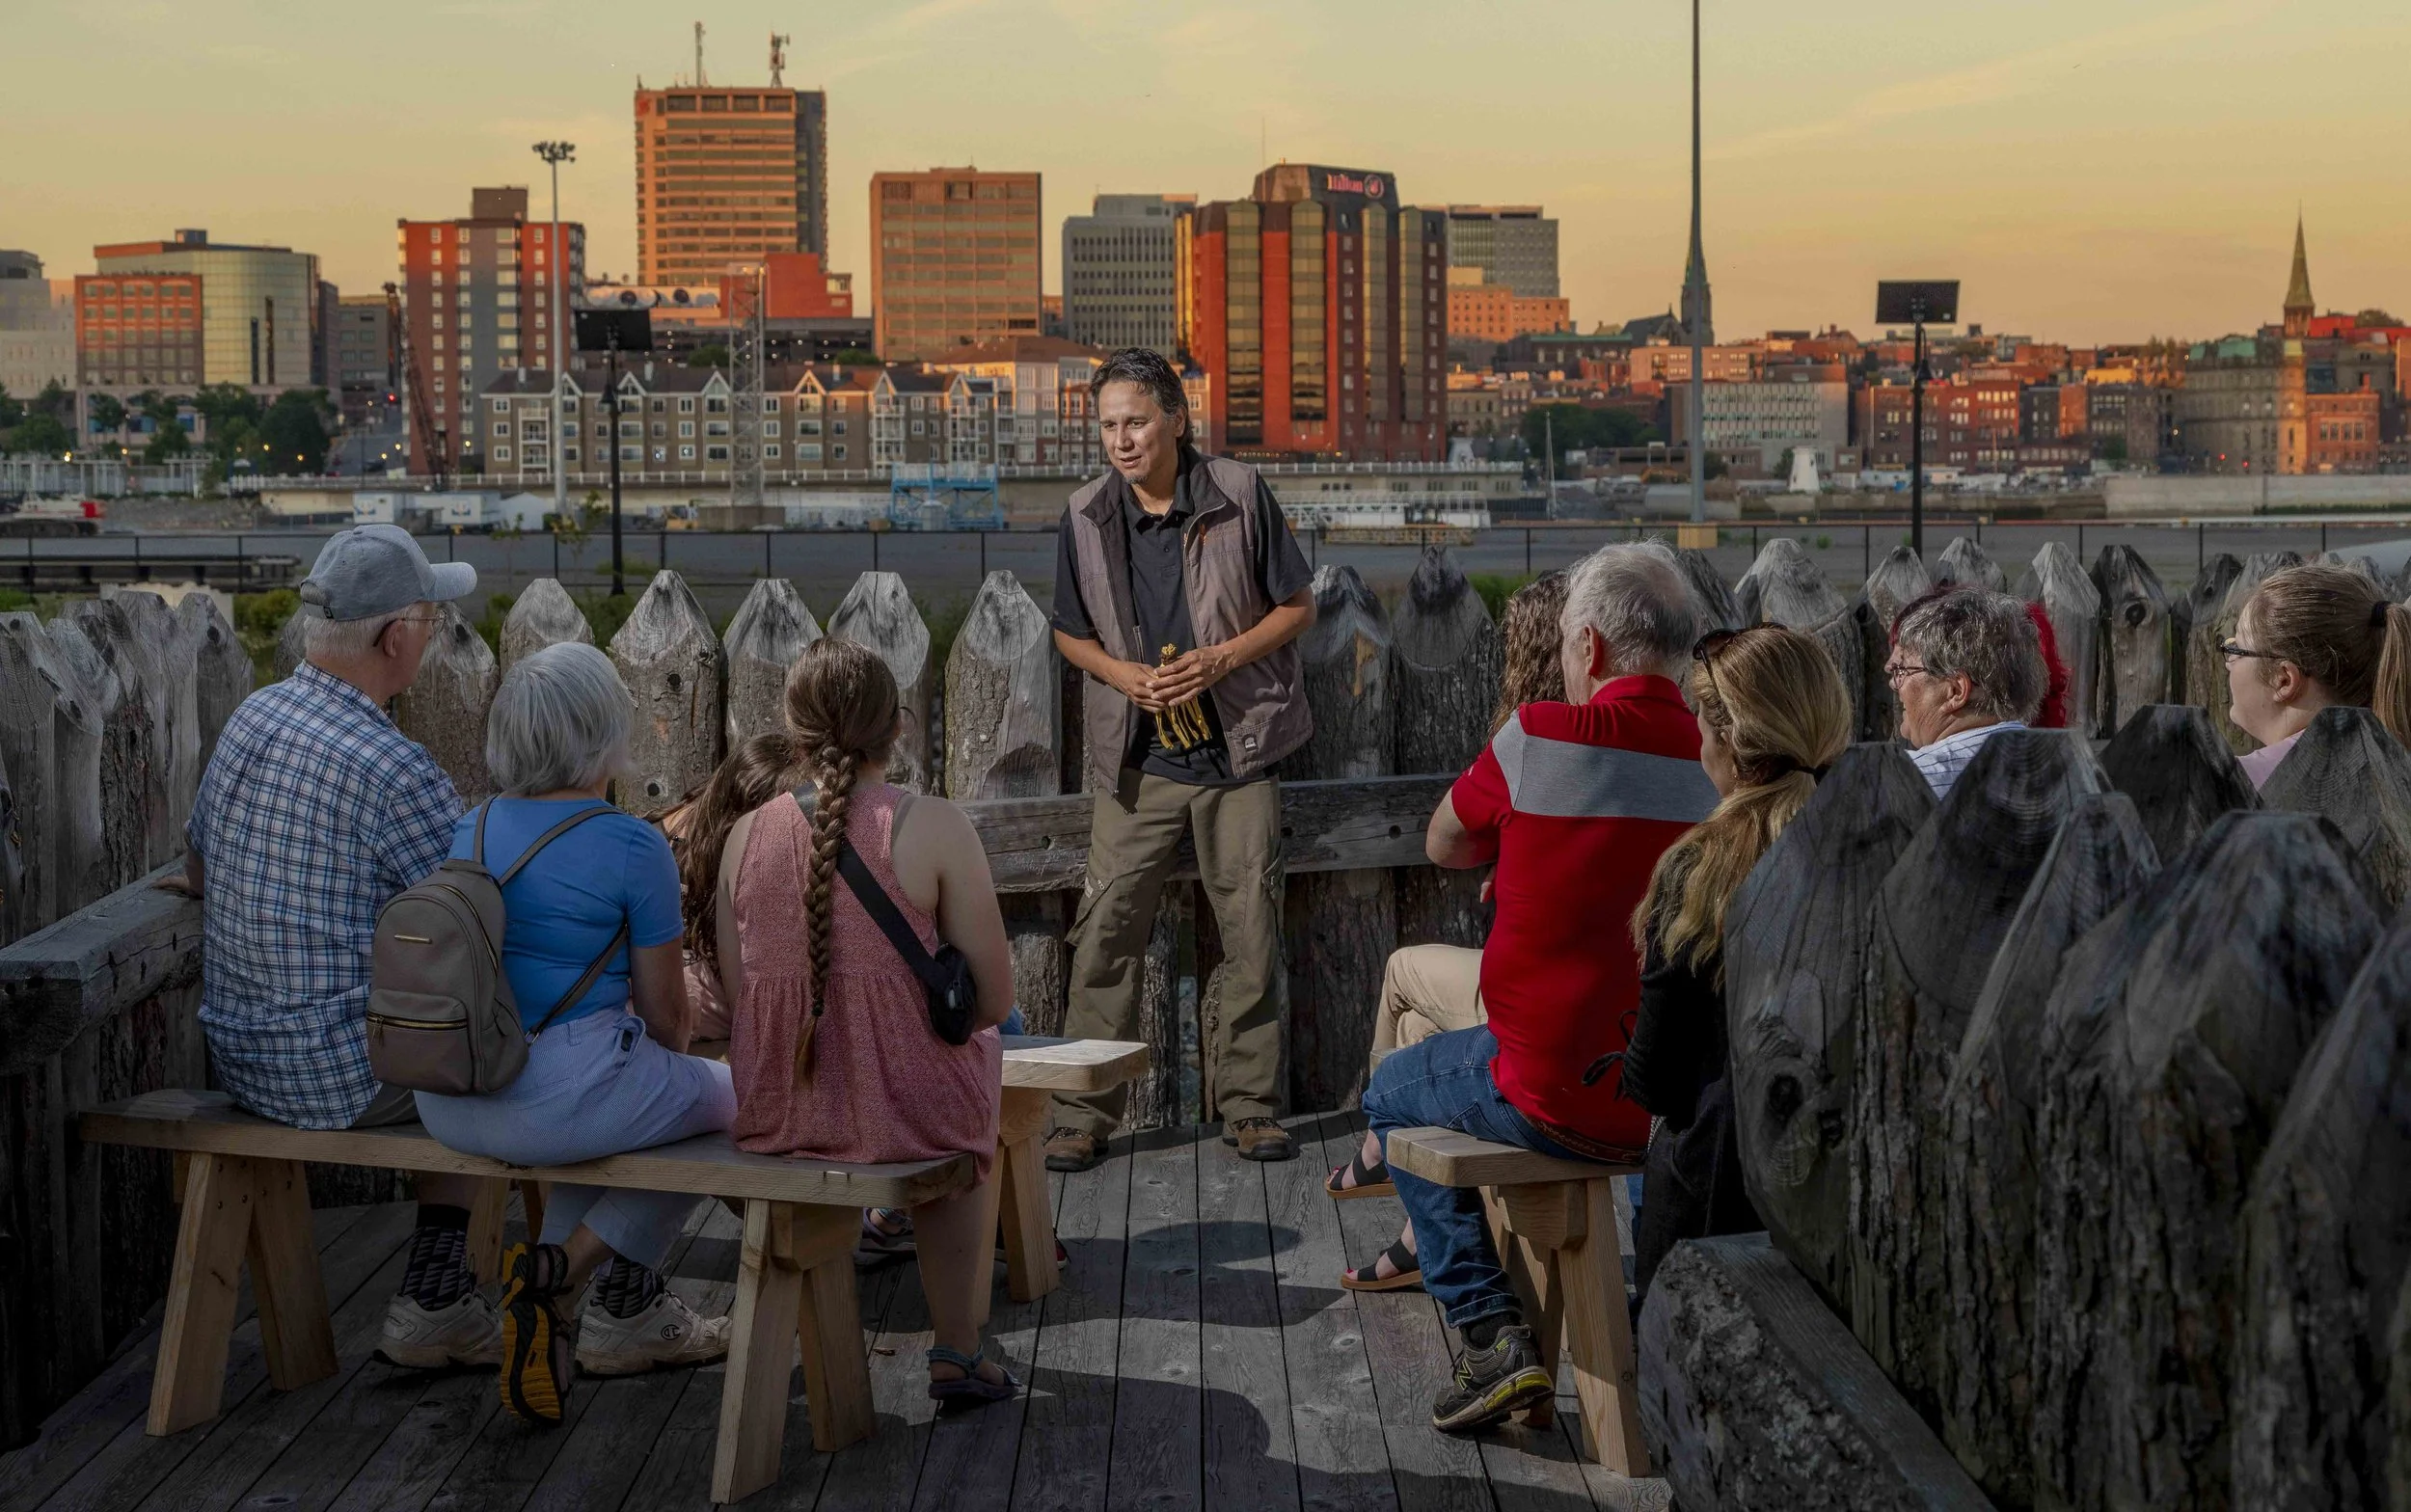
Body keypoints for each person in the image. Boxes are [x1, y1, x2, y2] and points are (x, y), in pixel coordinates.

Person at [1359, 543, 1719, 1435]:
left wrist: (1523, 839)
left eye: (1565, 642)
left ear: (1588, 646)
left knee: (1391, 1090)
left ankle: (1488, 1332)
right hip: (1672, 1105)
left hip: (1546, 1091)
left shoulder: (1541, 736)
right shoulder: (1720, 760)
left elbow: (1444, 841)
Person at [180, 524, 501, 1372]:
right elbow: (480, 920)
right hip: (337, 1077)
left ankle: (447, 1296)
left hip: (241, 1055)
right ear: (396, 637)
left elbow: (197, 867)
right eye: (430, 620)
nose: (432, 636)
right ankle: (442, 1299)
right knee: (497, 1056)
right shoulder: (395, 769)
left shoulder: (253, 717)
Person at [412, 643, 737, 1424]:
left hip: (451, 1097)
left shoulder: (470, 828)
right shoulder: (633, 844)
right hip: (560, 1097)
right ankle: (568, 1272)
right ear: (603, 731)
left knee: (624, 1108)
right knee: (736, 1108)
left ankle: (552, 1289)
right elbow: (668, 1022)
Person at [715, 638, 1022, 1405]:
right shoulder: (931, 823)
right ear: (899, 727)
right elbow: (991, 1000)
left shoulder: (744, 838)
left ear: (793, 730)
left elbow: (740, 996)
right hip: (908, 1117)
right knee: (980, 1059)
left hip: (781, 1111)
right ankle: (957, 1345)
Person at [1043, 346, 1316, 1171]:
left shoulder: (1240, 493)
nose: (1121, 441)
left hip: (1240, 756)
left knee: (1252, 935)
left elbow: (1298, 607)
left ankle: (1251, 1108)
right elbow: (1068, 632)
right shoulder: (1084, 512)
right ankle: (1080, 1116)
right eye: (1108, 426)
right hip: (1139, 764)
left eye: (1135, 422)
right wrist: (1119, 675)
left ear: (1176, 419)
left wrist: (1222, 659)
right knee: (1105, 939)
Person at [1329, 569, 1569, 1293]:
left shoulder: (1532, 738)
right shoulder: (1633, 750)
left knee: (1402, 974)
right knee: (1417, 1034)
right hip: (1593, 1007)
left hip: (1536, 1015)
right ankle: (1418, 1241)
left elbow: (1445, 845)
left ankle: (1381, 1145)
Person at [1623, 625, 1852, 1305]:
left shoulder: (1700, 871)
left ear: (1727, 740)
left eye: (1702, 720)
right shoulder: (1873, 840)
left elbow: (1656, 1081)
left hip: (1715, 1205)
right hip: (1844, 1204)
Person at [2226, 561, 2411, 789]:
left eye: (2236, 650)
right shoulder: (2393, 762)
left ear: (2284, 680)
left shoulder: (2237, 783)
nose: (2228, 663)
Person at [1888, 586, 2047, 800]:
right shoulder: (2072, 768)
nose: (1894, 684)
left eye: (1903, 671)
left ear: (1956, 690)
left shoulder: (1907, 779)